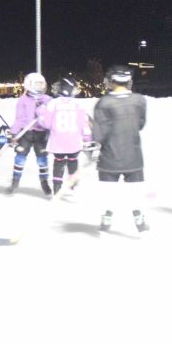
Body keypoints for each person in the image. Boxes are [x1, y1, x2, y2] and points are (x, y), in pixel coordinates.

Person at [92, 65, 148, 232]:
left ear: (111, 81)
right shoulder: (139, 100)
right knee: (134, 191)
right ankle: (140, 223)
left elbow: (98, 134)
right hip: (134, 156)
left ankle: (106, 222)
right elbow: (140, 124)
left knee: (109, 192)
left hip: (109, 158)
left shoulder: (103, 102)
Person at [37, 76, 92, 196]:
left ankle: (57, 187)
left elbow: (46, 124)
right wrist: (87, 138)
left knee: (59, 162)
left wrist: (40, 111)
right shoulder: (78, 104)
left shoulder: (53, 103)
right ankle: (73, 184)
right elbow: (84, 123)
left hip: (58, 142)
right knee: (73, 160)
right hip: (74, 142)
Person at [7, 72, 52, 195]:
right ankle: (15, 181)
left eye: (42, 84)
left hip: (41, 134)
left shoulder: (48, 100)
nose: (40, 87)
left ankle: (44, 182)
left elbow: (51, 118)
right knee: (20, 158)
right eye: (37, 84)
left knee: (42, 159)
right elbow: (19, 119)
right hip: (26, 134)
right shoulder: (23, 100)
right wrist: (13, 133)